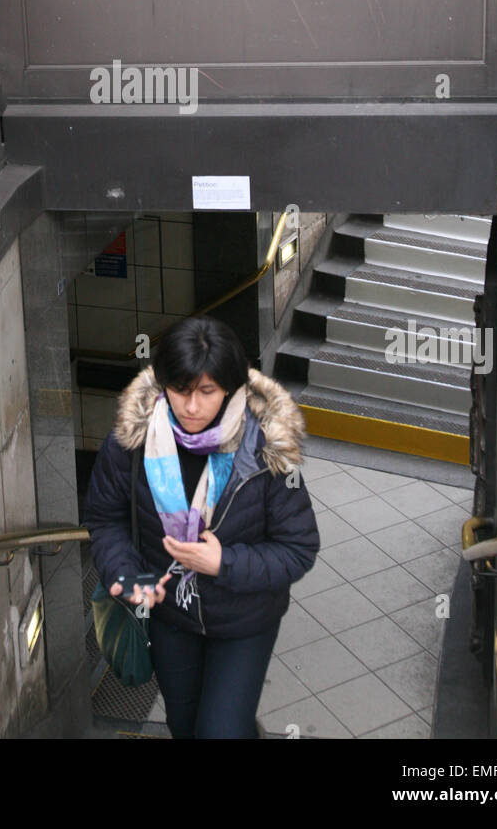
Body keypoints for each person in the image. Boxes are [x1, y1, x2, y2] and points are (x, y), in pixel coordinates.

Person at [83, 315, 320, 739]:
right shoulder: (132, 440)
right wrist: (128, 574)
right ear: (163, 384)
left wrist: (223, 562)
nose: (192, 407)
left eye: (207, 392)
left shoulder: (268, 446)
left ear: (229, 387)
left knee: (220, 732)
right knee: (185, 726)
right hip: (171, 617)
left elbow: (298, 548)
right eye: (180, 391)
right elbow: (105, 518)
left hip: (245, 621)